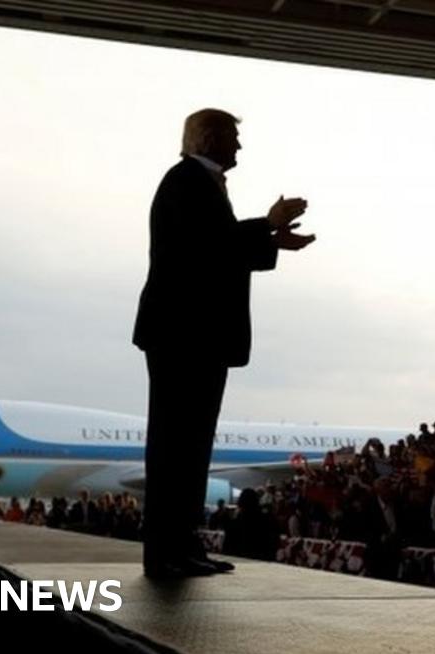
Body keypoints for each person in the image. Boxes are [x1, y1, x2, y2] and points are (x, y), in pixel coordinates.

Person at [133, 108, 315, 579]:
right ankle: (166, 552)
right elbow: (207, 246)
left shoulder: (199, 183)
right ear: (209, 138)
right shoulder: (185, 181)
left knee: (190, 447)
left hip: (195, 336)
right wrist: (268, 224)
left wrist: (272, 239)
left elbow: (216, 247)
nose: (238, 147)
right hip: (184, 334)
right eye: (232, 137)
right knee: (176, 447)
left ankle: (181, 546)